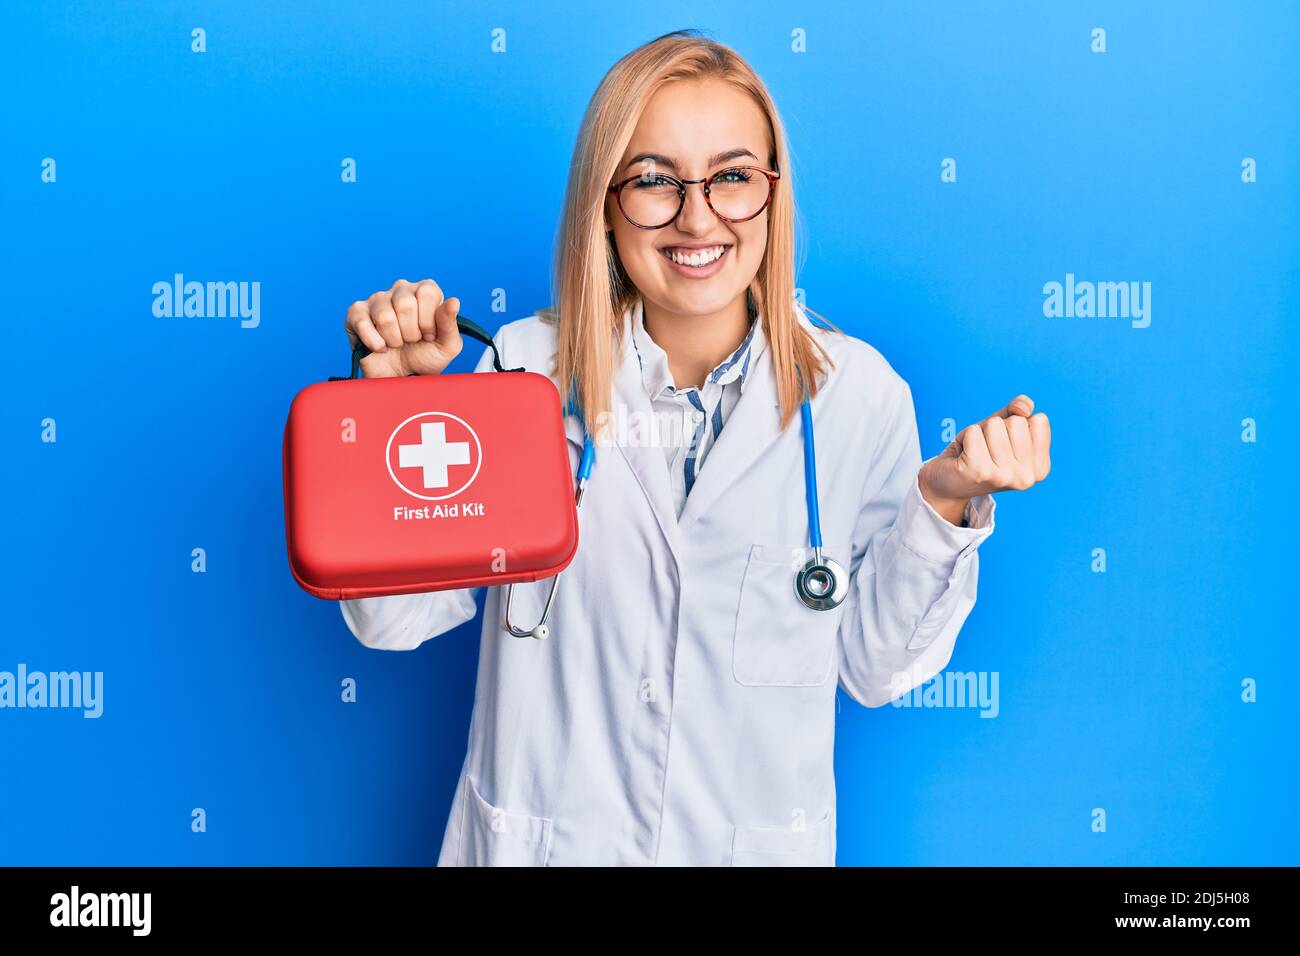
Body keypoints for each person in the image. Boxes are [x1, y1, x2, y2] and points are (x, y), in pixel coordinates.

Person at [338, 29, 1051, 866]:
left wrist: (940, 504)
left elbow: (875, 668)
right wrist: (392, 414)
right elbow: (391, 621)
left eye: (733, 177)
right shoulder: (517, 372)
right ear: (605, 201)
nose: (697, 215)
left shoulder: (857, 397)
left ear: (772, 193)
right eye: (653, 181)